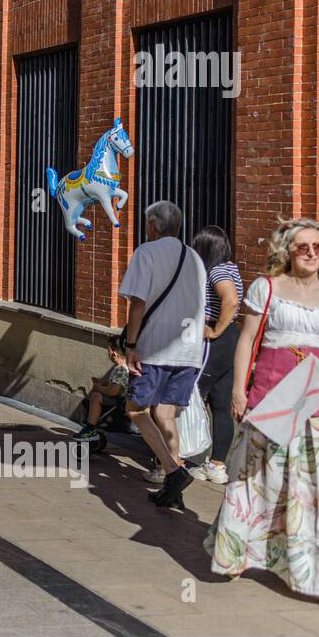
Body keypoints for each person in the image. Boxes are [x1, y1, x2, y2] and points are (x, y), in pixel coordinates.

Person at [205, 219, 319, 614]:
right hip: (271, 401)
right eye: (302, 246)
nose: (311, 252)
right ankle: (237, 554)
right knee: (254, 481)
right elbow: (248, 340)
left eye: (318, 247)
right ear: (287, 251)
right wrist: (239, 390)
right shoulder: (265, 288)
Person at [117, 201, 206, 509]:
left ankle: (173, 469)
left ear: (153, 225)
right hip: (190, 349)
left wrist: (131, 346)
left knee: (136, 410)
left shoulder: (146, 252)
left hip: (155, 347)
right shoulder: (193, 257)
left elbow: (138, 302)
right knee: (166, 414)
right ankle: (173, 486)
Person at [189, 224, 242, 485]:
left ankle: (170, 463)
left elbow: (230, 300)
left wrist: (214, 330)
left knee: (187, 396)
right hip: (231, 339)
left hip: (216, 341)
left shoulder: (217, 270)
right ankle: (217, 466)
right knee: (221, 404)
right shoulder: (231, 267)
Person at [71, 334, 130, 443]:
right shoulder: (124, 367)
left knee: (96, 397)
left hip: (117, 400)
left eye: (108, 350)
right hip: (119, 398)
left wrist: (99, 388)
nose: (107, 353)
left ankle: (91, 427)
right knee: (97, 394)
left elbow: (113, 391)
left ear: (114, 354)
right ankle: (91, 419)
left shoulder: (120, 370)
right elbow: (117, 383)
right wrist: (102, 382)